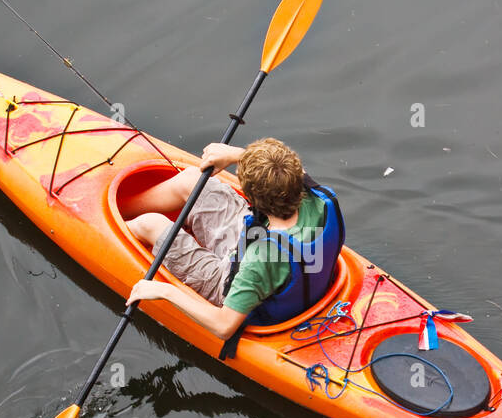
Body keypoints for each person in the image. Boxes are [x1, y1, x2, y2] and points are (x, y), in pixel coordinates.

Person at [123, 138, 344, 352]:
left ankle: (107, 223)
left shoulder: (261, 259)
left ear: (251, 199)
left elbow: (224, 326)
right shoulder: (320, 198)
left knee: (151, 224)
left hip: (231, 284)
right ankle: (122, 207)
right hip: (272, 254)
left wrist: (165, 291)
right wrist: (232, 154)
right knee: (192, 180)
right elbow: (286, 166)